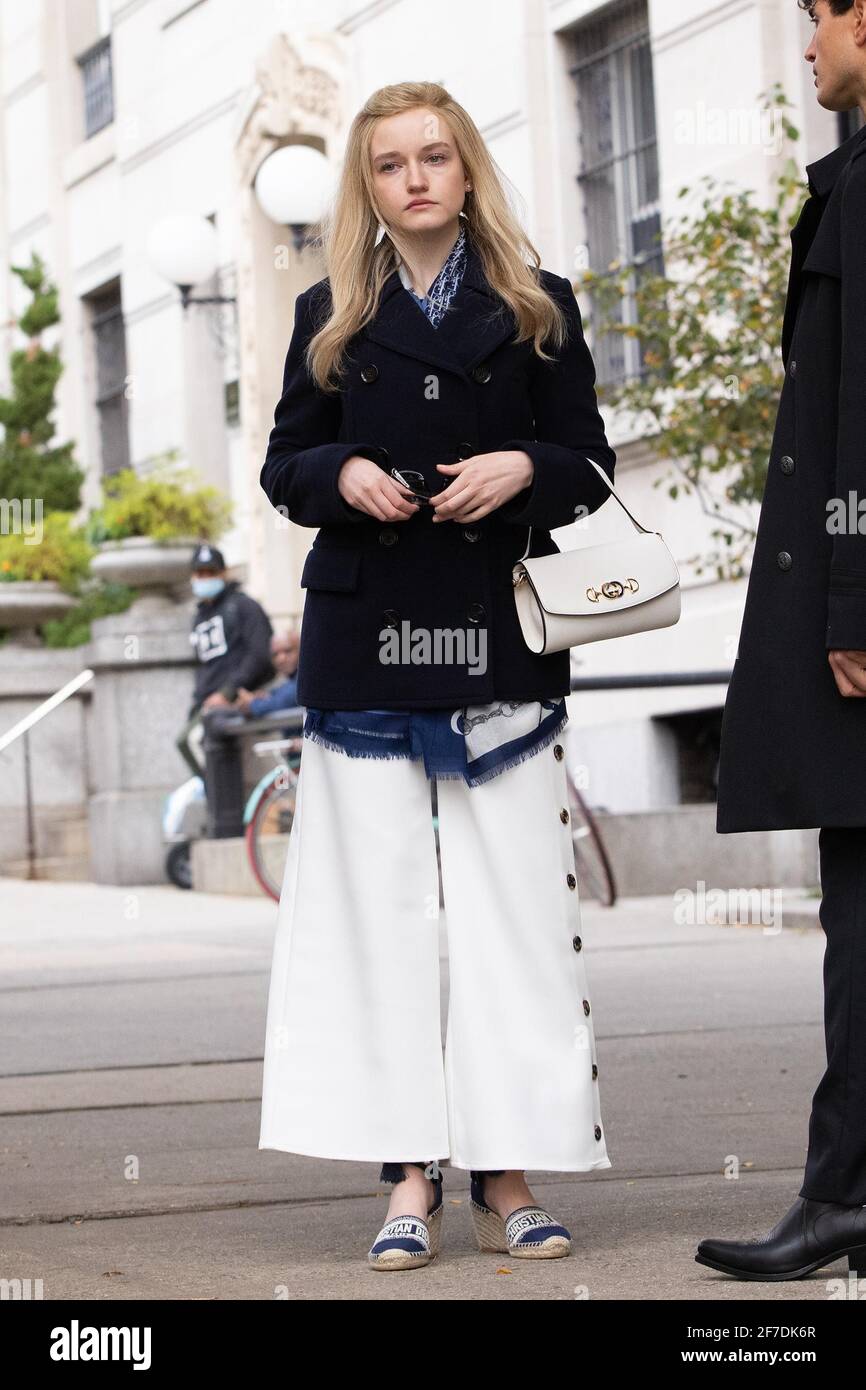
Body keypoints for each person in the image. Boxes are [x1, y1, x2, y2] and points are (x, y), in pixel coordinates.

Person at [257, 81, 617, 1271]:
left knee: (510, 918)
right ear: (367, 188)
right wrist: (342, 471)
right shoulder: (329, 312)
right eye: (389, 164)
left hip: (499, 646)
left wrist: (521, 461)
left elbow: (587, 465)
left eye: (434, 157)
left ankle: (505, 1174)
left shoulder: (537, 307)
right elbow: (283, 464)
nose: (413, 178)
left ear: (466, 171)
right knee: (383, 928)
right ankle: (406, 1172)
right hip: (364, 645)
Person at [696, 0, 866, 1281]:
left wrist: (855, 602)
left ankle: (845, 1193)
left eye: (815, 17)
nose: (805, 46)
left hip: (855, 620)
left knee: (858, 921)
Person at [176, 543, 275, 778]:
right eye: (200, 573)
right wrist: (198, 704)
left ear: (224, 573)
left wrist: (228, 692)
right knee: (191, 747)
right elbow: (204, 666)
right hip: (207, 705)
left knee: (193, 745)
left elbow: (260, 655)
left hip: (238, 700)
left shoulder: (244, 606)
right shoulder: (199, 616)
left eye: (211, 572)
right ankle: (220, 807)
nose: (205, 578)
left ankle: (226, 809)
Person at [234, 628, 301, 717]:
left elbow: (284, 701)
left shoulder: (307, 679)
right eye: (275, 654)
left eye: (287, 651)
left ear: (301, 649)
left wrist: (252, 703)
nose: (281, 659)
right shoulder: (288, 683)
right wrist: (261, 697)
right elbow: (278, 694)